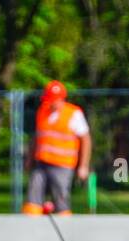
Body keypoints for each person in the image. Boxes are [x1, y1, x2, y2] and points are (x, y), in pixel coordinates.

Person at [23, 80, 91, 215]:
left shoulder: (73, 114)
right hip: (41, 162)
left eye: (52, 100)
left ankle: (64, 226)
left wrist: (83, 166)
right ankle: (30, 225)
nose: (49, 103)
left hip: (63, 165)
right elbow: (36, 137)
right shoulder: (42, 111)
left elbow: (86, 140)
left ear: (61, 99)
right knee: (33, 194)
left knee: (61, 198)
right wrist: (30, 159)